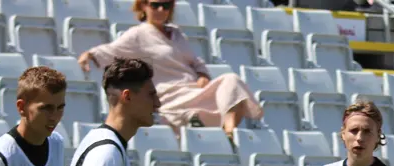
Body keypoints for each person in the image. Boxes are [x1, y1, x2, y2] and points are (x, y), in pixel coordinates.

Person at [77, 0, 261, 135]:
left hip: (193, 90)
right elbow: (112, 50)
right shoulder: (137, 35)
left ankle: (229, 132)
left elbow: (195, 60)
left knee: (232, 80)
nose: (160, 10)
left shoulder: (177, 33)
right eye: (155, 4)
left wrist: (202, 73)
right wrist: (90, 54)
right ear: (143, 6)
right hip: (169, 95)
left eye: (165, 5)